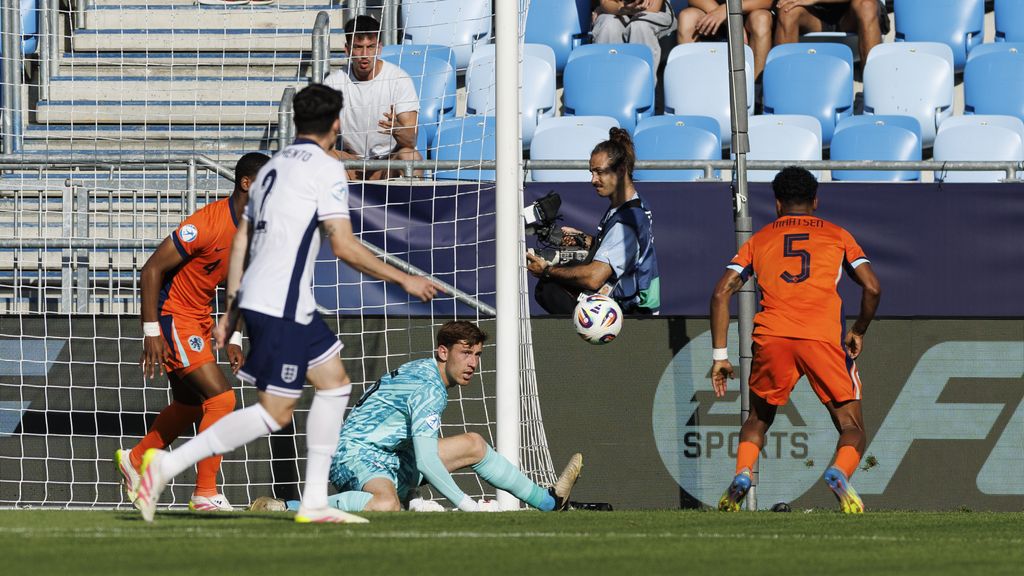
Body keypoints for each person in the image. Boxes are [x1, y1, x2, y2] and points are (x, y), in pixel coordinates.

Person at [133, 83, 441, 524]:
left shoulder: (274, 168)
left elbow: (242, 239)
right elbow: (344, 247)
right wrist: (402, 279)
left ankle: (313, 501)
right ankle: (166, 466)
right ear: (336, 124)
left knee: (334, 383)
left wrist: (232, 314)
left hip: (273, 300)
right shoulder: (324, 168)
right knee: (273, 410)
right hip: (282, 302)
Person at [709, 166, 881, 514]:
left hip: (772, 336)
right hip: (822, 338)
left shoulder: (758, 240)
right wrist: (859, 330)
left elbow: (720, 293)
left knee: (758, 420)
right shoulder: (838, 235)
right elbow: (872, 287)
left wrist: (720, 355)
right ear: (815, 201)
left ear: (776, 204)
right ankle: (839, 472)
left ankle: (743, 472)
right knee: (852, 427)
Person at [115, 151, 270, 513]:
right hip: (173, 317)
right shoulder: (206, 223)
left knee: (189, 404)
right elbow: (151, 269)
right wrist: (151, 330)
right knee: (222, 399)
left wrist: (232, 336)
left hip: (197, 318)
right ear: (247, 184)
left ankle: (136, 459)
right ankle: (204, 493)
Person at [317, 321, 583, 513]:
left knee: (474, 445)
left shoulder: (425, 370)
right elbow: (426, 461)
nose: (473, 364)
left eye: (477, 355)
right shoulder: (429, 388)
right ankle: (295, 507)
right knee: (386, 505)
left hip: (389, 457)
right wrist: (467, 505)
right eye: (466, 353)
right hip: (354, 457)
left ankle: (548, 502)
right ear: (443, 352)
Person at [525, 128, 660, 316]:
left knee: (548, 288)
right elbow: (624, 250)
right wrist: (585, 239)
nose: (593, 180)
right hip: (630, 309)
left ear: (621, 171)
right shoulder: (631, 205)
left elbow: (594, 278)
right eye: (591, 172)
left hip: (632, 317)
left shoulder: (626, 222)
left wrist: (546, 270)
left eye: (599, 172)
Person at [324, 15, 421, 180]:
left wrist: (397, 129)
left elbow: (411, 141)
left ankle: (413, 206)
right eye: (358, 47)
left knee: (410, 157)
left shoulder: (399, 79)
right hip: (351, 163)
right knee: (323, 156)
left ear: (379, 48)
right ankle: (333, 205)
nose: (364, 54)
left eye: (370, 47)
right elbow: (323, 138)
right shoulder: (333, 83)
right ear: (347, 49)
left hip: (388, 162)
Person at [676, 0, 774, 80]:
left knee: (762, 19)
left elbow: (768, 1)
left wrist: (730, 10)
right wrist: (729, 20)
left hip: (748, 10)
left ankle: (755, 89)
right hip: (712, 10)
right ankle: (691, 83)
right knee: (687, 17)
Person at [774, 0, 890, 65]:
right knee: (787, 10)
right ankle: (784, 91)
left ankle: (873, 91)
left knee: (867, 5)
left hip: (850, 15)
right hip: (814, 15)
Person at [592, 0, 677, 71]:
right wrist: (621, 8)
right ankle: (607, 84)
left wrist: (619, 6)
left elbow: (653, 7)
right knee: (608, 25)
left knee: (639, 26)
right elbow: (606, 3)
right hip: (621, 11)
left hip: (655, 13)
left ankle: (643, 85)